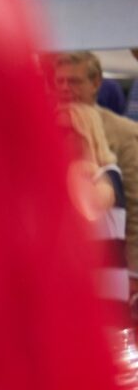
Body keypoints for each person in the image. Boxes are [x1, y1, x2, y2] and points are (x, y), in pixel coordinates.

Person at [50, 51, 138, 302]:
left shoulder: (123, 133)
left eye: (74, 81)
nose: (66, 88)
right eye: (60, 81)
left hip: (108, 261)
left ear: (96, 82)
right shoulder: (47, 125)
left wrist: (134, 272)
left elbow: (134, 203)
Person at [57, 101, 130, 325]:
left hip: (107, 290)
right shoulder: (66, 179)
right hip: (78, 287)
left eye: (68, 131)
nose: (59, 137)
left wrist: (82, 164)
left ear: (86, 133)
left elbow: (93, 205)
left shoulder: (108, 174)